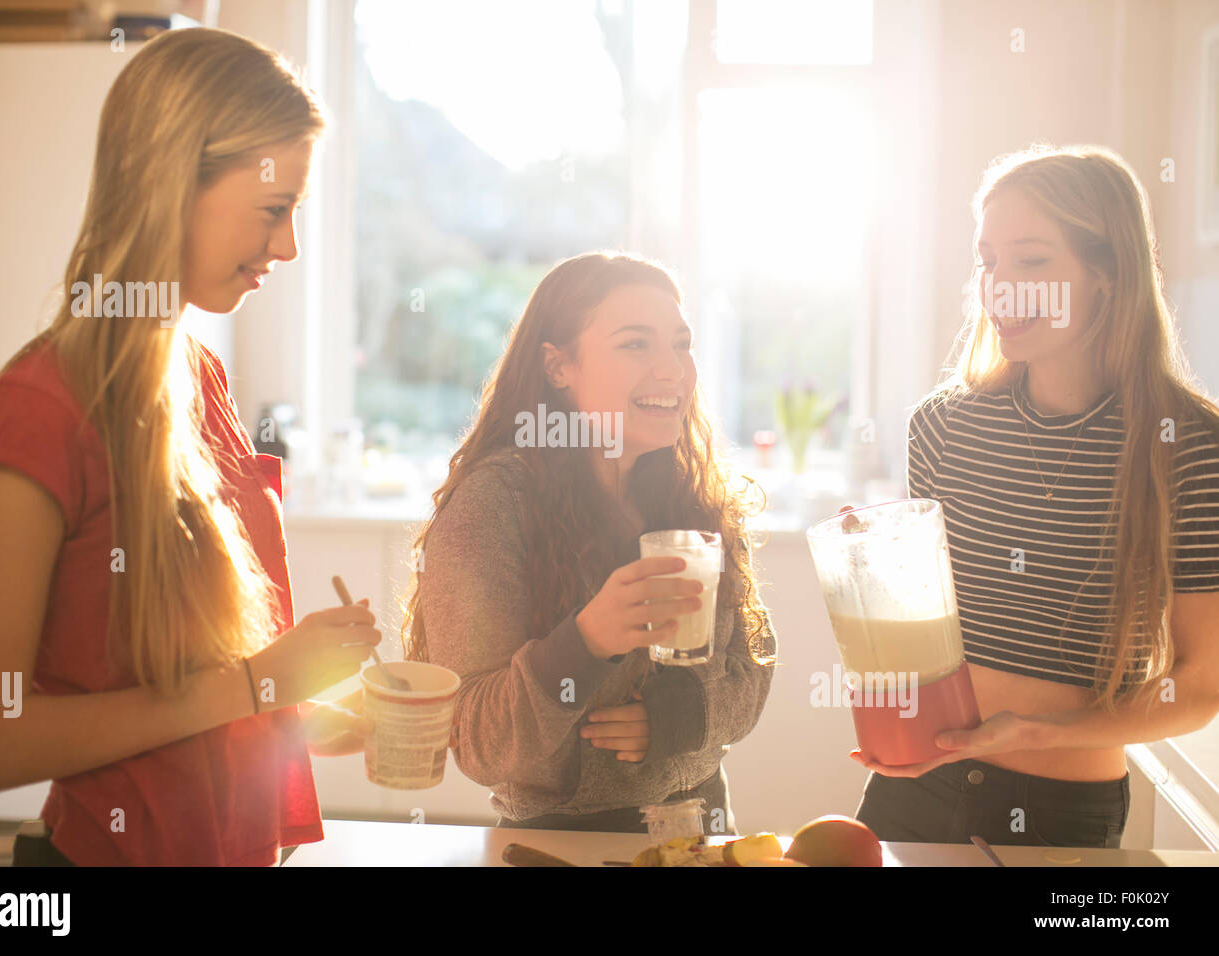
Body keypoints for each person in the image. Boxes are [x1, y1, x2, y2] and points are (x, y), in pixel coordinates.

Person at [0, 27, 380, 866]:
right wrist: (259, 686)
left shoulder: (199, 376)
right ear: (172, 182)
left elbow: (182, 678)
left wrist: (294, 708)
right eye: (272, 209)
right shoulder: (41, 407)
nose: (286, 246)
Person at [852, 145, 1219, 849]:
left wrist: (1045, 732)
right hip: (914, 785)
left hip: (1063, 808)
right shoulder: (943, 425)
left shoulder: (1188, 449)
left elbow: (1200, 686)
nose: (1000, 287)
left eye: (1031, 260)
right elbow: (927, 633)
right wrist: (872, 570)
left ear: (1107, 273)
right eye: (988, 261)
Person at [401, 251, 777, 834]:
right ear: (557, 367)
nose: (673, 370)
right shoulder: (491, 506)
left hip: (707, 827)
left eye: (681, 344)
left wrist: (676, 717)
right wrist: (585, 640)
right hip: (559, 843)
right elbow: (477, 742)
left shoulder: (698, 496)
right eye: (635, 344)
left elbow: (753, 666)